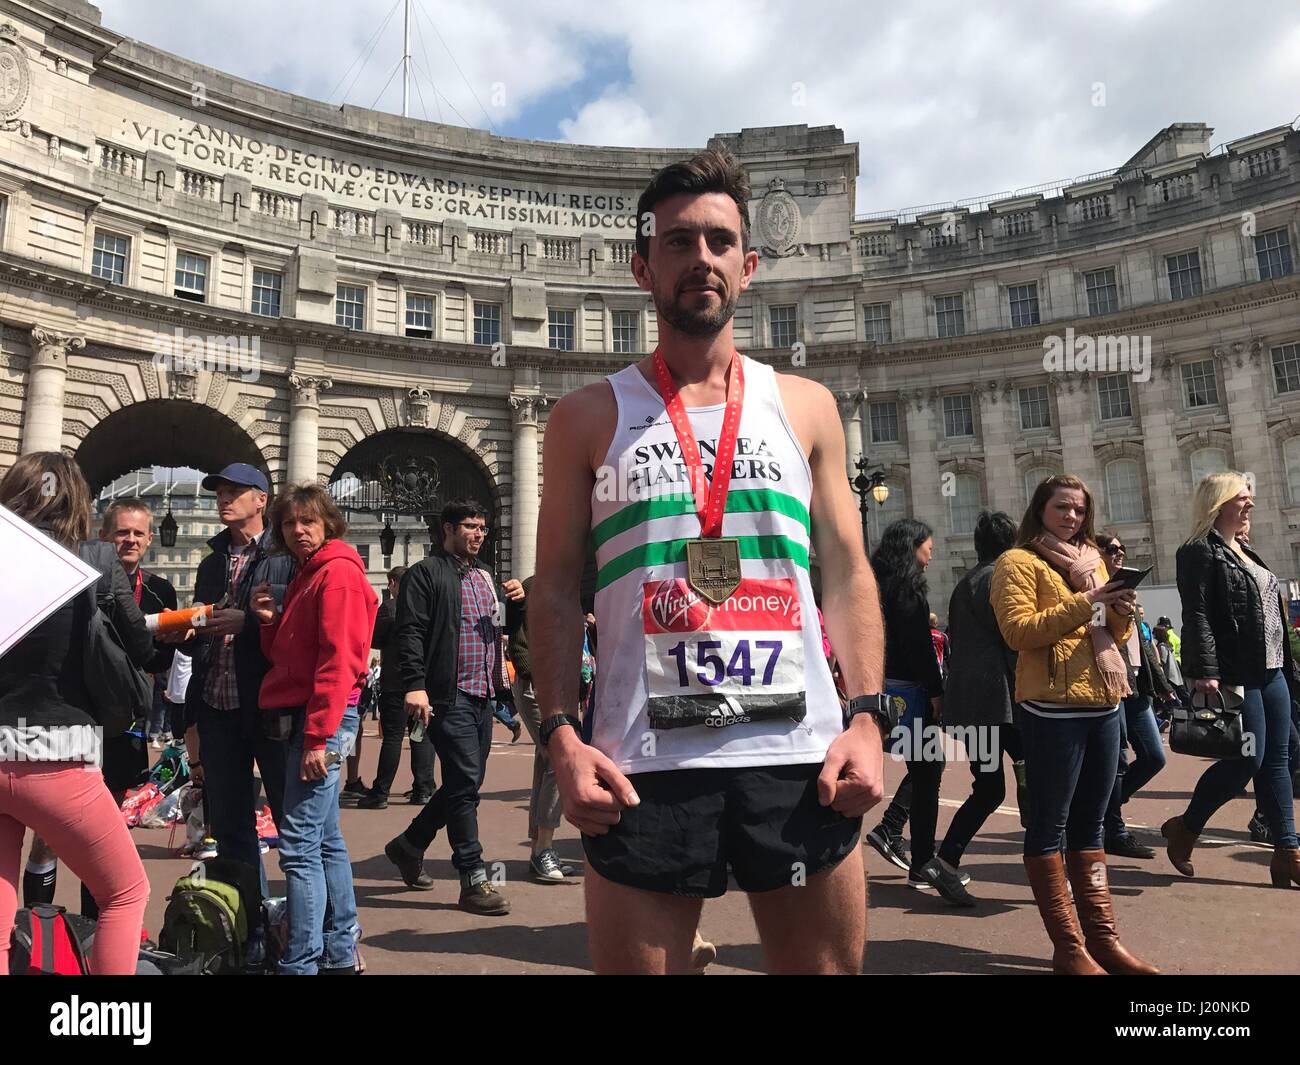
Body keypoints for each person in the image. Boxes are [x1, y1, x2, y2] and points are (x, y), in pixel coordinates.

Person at [528, 148, 887, 974]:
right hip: (640, 759)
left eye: (720, 242)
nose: (702, 259)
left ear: (750, 266)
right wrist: (558, 736)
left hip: (799, 751)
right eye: (680, 242)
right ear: (641, 266)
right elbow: (552, 588)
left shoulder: (807, 406)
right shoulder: (585, 417)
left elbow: (847, 570)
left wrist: (867, 716)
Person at [993, 473, 1157, 975]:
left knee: (1092, 827)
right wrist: (1089, 601)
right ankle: (1069, 948)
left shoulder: (1095, 563)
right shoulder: (1017, 562)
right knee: (1050, 826)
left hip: (1104, 704)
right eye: (1062, 507)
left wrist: (1120, 610)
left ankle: (1104, 942)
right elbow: (1019, 632)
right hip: (1050, 711)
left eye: (1080, 510)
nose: (1072, 517)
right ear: (1040, 509)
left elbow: (1109, 632)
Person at [0, 452, 152, 974]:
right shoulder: (94, 559)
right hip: (56, 752)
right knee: (125, 892)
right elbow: (137, 643)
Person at [252, 484, 378, 975]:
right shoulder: (312, 574)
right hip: (313, 714)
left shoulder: (337, 575)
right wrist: (269, 622)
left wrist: (320, 738)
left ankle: (301, 962)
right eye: (288, 523)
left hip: (320, 718)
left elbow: (339, 662)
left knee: (299, 847)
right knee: (324, 840)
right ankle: (339, 952)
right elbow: (289, 656)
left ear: (328, 523)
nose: (298, 530)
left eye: (308, 521)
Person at [381, 500, 525, 915]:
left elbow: (501, 630)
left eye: (482, 527)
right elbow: (410, 633)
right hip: (447, 695)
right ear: (447, 529)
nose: (478, 534)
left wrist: (514, 605)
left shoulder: (485, 576)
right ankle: (473, 877)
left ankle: (409, 845)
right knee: (464, 781)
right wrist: (415, 686)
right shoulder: (426, 574)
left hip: (483, 694)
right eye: (469, 526)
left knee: (466, 782)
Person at [1166, 471, 1299, 888]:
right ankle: (1186, 828)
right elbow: (1198, 615)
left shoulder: (1245, 551)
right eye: (1242, 497)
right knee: (1248, 759)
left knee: (1276, 760)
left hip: (1272, 669)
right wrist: (1204, 670)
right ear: (1218, 502)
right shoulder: (1197, 552)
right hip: (1237, 671)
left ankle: (1288, 852)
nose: (1250, 503)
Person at [178, 462, 294, 892]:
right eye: (219, 492)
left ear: (261, 499)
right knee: (229, 828)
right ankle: (251, 923)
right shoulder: (211, 563)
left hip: (267, 704)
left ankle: (309, 930)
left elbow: (299, 626)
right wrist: (187, 630)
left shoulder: (284, 558)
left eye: (235, 491)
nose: (223, 498)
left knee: (290, 821)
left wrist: (248, 621)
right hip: (215, 703)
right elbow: (201, 627)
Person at [863, 520, 958, 901]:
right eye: (927, 546)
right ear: (912, 546)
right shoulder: (908, 592)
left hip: (876, 687)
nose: (931, 552)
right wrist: (937, 692)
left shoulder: (873, 586)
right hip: (910, 692)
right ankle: (921, 862)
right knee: (927, 770)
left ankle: (895, 834)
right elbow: (920, 650)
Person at [934, 511, 1023, 887]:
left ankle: (947, 857)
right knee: (1032, 779)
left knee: (988, 787)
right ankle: (1048, 866)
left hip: (970, 702)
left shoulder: (964, 583)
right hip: (1004, 699)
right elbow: (1013, 640)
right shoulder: (1000, 579)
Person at [1094, 531, 1171, 860]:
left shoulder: (1130, 595)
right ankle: (1114, 829)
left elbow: (1144, 643)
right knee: (1118, 763)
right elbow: (1096, 632)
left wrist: (1163, 683)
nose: (1119, 553)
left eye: (1122, 548)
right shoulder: (1095, 593)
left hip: (1140, 686)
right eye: (1111, 549)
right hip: (1114, 684)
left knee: (1155, 756)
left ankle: (1104, 810)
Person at [507, 576, 580, 882]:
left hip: (554, 683)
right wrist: (535, 676)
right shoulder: (540, 585)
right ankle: (543, 848)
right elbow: (520, 637)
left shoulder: (571, 586)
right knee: (558, 756)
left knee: (546, 759)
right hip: (538, 683)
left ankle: (540, 846)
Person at [359, 566, 437, 809]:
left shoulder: (390, 608)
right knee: (419, 736)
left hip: (395, 682)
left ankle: (381, 792)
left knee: (392, 738)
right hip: (421, 684)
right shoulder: (427, 607)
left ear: (393, 583)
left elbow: (375, 639)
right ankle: (423, 788)